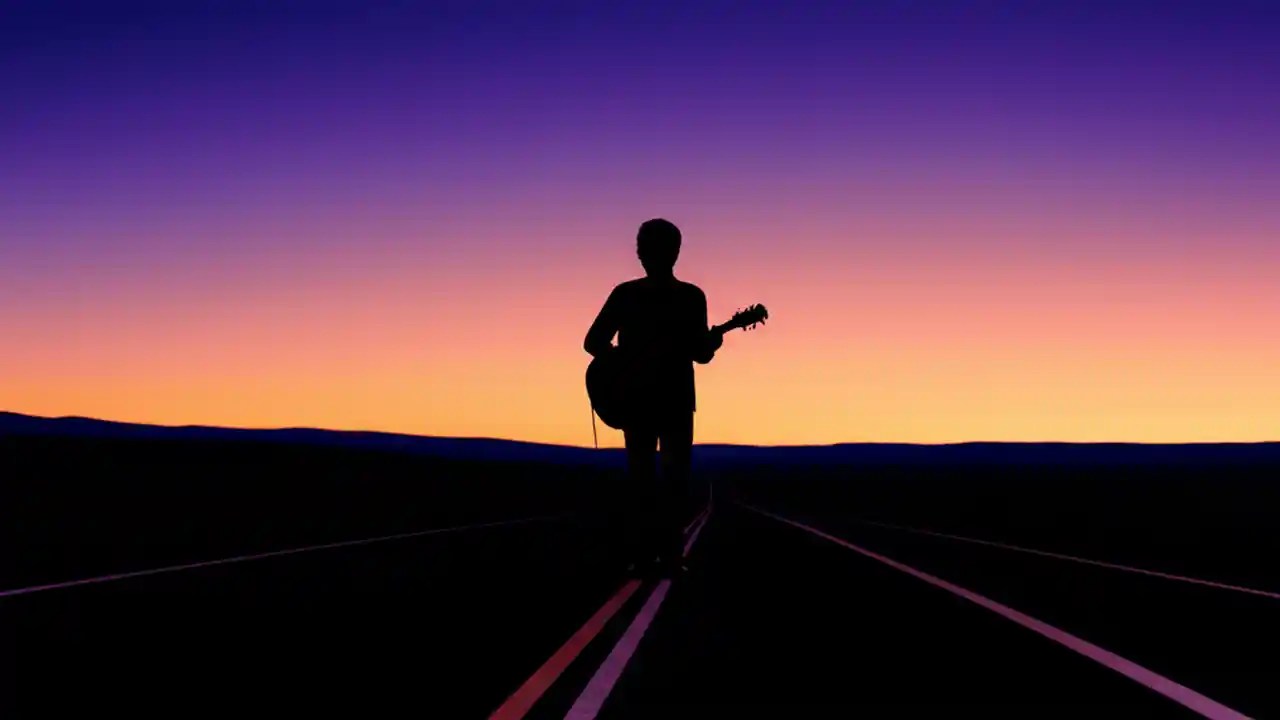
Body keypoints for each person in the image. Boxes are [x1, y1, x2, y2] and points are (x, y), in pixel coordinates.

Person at [584, 218, 722, 576]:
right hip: (670, 401)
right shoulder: (690, 296)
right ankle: (670, 559)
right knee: (672, 479)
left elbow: (593, 342)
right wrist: (712, 343)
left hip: (642, 401)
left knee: (643, 479)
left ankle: (645, 557)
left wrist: (621, 363)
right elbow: (701, 354)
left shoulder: (626, 294)